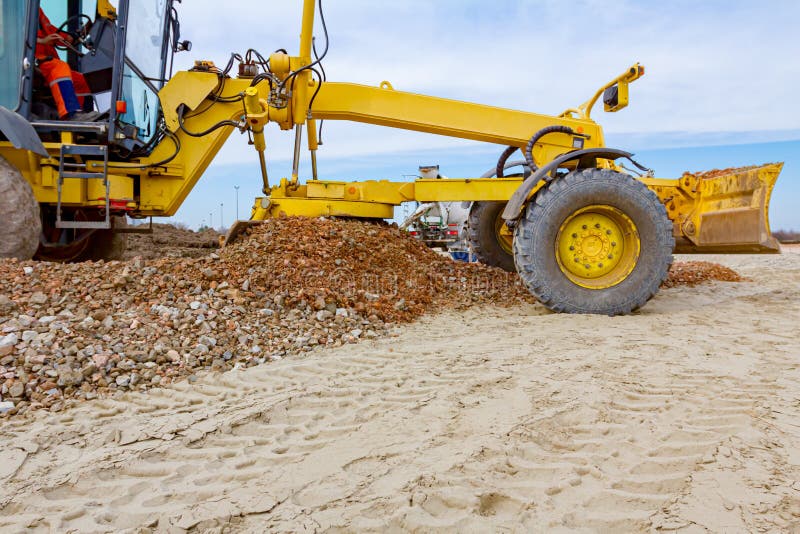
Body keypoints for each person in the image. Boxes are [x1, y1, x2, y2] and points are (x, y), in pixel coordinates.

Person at [36, 8, 93, 120]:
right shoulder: (16, 8)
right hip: (32, 62)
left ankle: (86, 118)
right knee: (60, 68)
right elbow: (12, 35)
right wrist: (41, 41)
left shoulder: (37, 11)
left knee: (83, 81)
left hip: (46, 62)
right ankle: (70, 114)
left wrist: (86, 29)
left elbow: (54, 33)